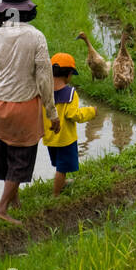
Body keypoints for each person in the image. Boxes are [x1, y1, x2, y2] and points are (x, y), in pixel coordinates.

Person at [0, 0, 59, 223]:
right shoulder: (36, 37)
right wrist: (52, 113)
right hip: (23, 106)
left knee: (3, 151)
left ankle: (14, 199)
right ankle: (1, 208)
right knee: (20, 157)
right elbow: (45, 79)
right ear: (26, 10)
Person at [42, 52, 96, 196]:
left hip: (50, 137)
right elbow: (74, 115)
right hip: (65, 139)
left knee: (60, 164)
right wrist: (91, 111)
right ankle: (56, 194)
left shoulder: (44, 92)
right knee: (62, 168)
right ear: (68, 74)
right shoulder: (70, 93)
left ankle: (62, 182)